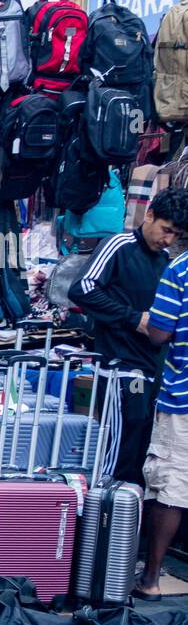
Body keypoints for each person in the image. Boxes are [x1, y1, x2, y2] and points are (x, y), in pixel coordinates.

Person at [69, 189, 188, 485]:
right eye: (166, 230)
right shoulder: (118, 245)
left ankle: (128, 514)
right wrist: (133, 318)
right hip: (119, 364)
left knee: (144, 441)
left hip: (154, 367)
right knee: (123, 438)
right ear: (149, 215)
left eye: (176, 235)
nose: (168, 240)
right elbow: (81, 288)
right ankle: (106, 507)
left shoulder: (166, 263)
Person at [135, 247, 188, 600]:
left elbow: (158, 333)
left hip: (183, 396)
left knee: (171, 483)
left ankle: (151, 579)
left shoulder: (180, 269)